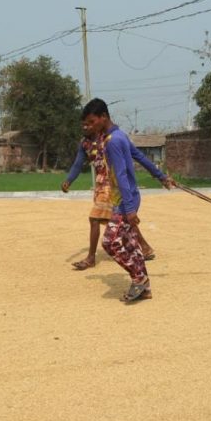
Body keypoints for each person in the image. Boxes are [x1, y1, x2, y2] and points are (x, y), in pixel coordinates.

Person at [80, 98, 174, 301]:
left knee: (110, 242)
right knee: (130, 242)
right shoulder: (117, 136)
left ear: (103, 117)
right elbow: (140, 156)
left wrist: (130, 209)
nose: (90, 126)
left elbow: (121, 174)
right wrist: (161, 177)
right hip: (123, 199)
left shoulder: (113, 141)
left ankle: (138, 279)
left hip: (125, 201)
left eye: (92, 121)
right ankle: (145, 287)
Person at [62, 123, 159, 270]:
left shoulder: (109, 139)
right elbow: (77, 164)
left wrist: (158, 174)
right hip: (100, 185)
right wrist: (68, 180)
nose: (85, 127)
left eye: (88, 124)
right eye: (83, 125)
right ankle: (145, 247)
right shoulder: (85, 144)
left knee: (95, 218)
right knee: (119, 219)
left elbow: (138, 156)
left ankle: (91, 258)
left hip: (111, 184)